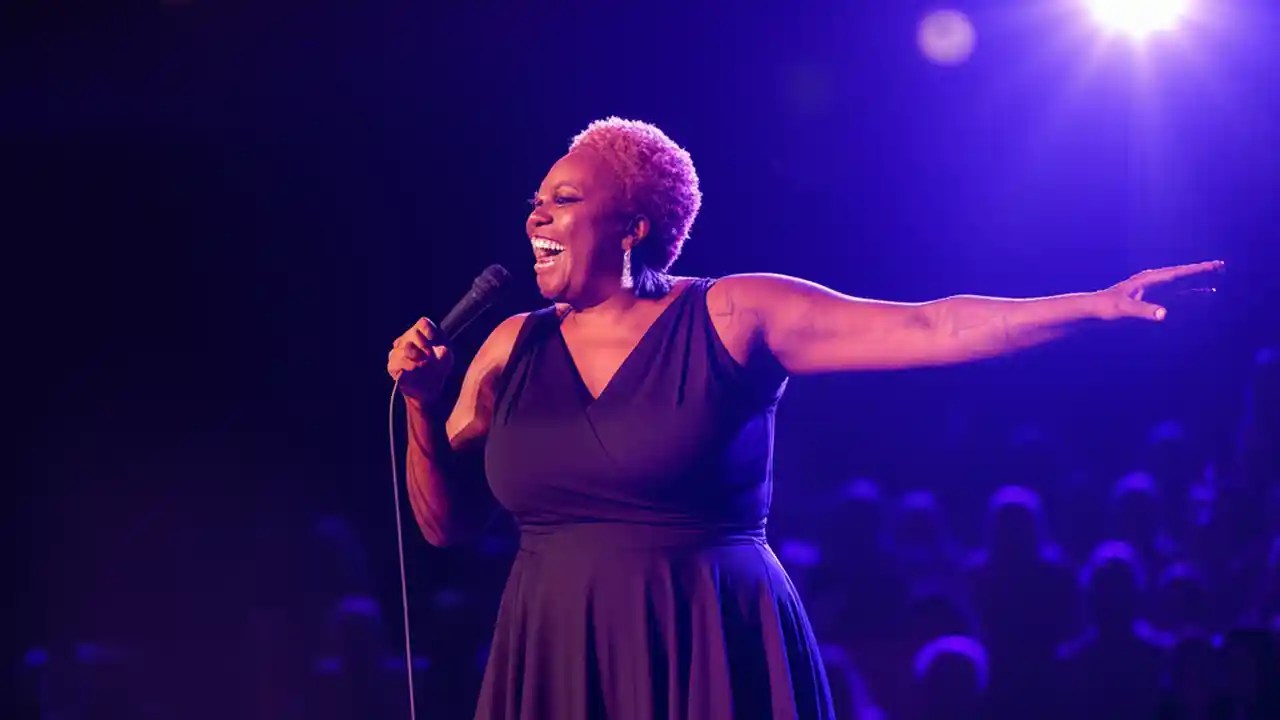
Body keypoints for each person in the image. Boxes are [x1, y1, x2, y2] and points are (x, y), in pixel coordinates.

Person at [384, 116, 1224, 719]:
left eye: (562, 199)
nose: (536, 215)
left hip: (707, 634)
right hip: (556, 648)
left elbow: (928, 326)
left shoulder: (732, 316)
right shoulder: (509, 345)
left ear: (634, 225)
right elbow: (443, 526)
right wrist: (424, 410)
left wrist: (1095, 305)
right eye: (536, 200)